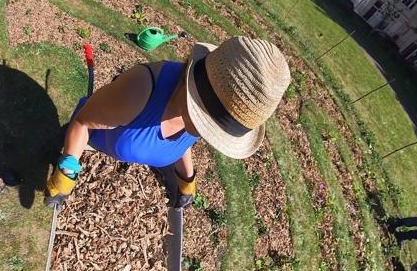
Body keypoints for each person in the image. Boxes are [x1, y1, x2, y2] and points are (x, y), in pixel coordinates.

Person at [46, 36, 292, 207]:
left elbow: (183, 143)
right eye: (209, 126)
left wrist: (187, 180)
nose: (206, 134)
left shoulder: (212, 105)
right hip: (92, 141)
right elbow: (83, 122)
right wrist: (67, 171)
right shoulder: (139, 91)